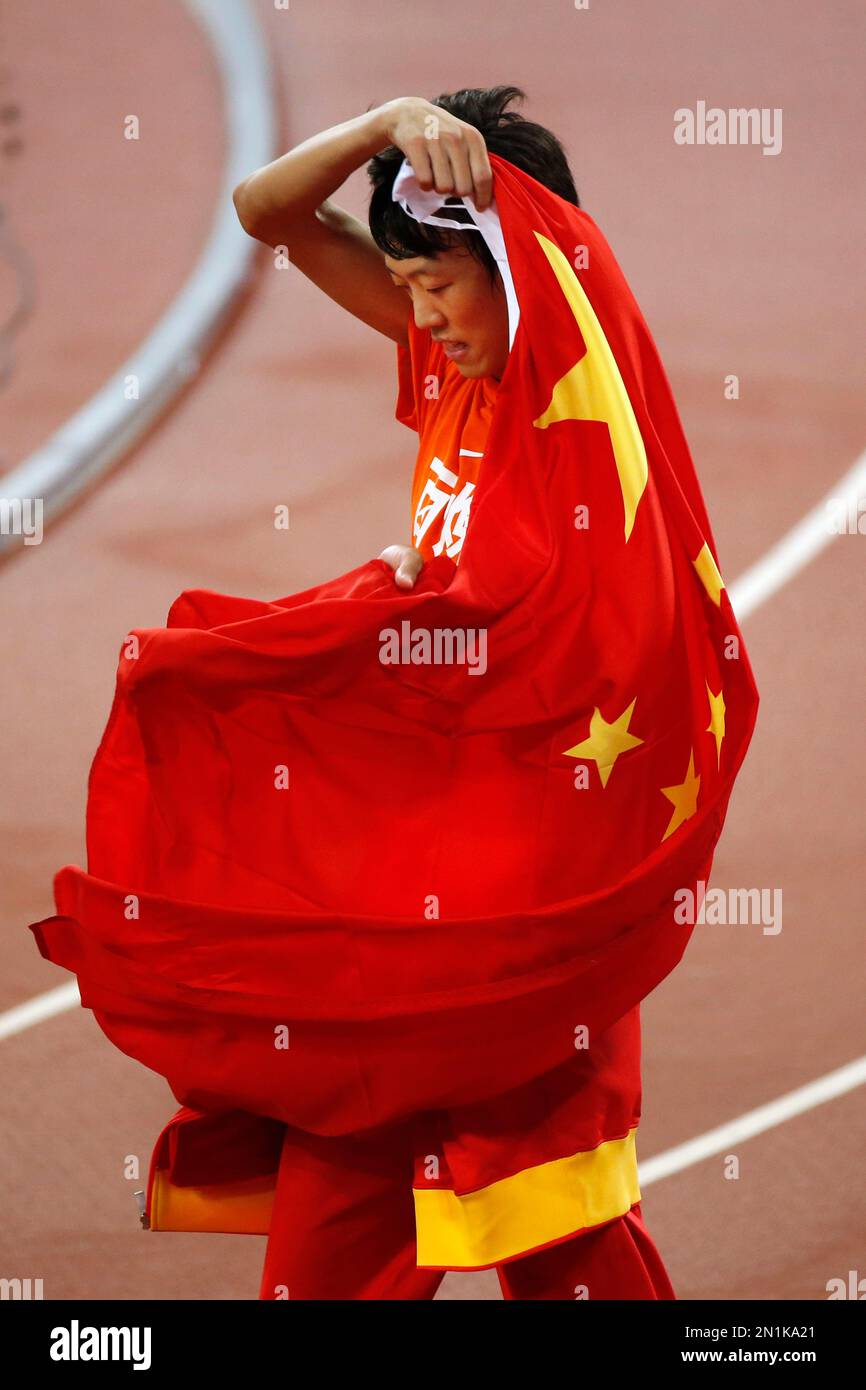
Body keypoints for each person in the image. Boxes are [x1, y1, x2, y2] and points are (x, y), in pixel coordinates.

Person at [231, 86, 678, 1301]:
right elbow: (261, 211)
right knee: (353, 1168)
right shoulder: (443, 359)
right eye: (408, 288)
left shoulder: (567, 398)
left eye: (442, 284)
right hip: (412, 867)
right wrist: (384, 125)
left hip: (531, 882)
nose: (422, 315)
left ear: (520, 269)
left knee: (544, 1215)